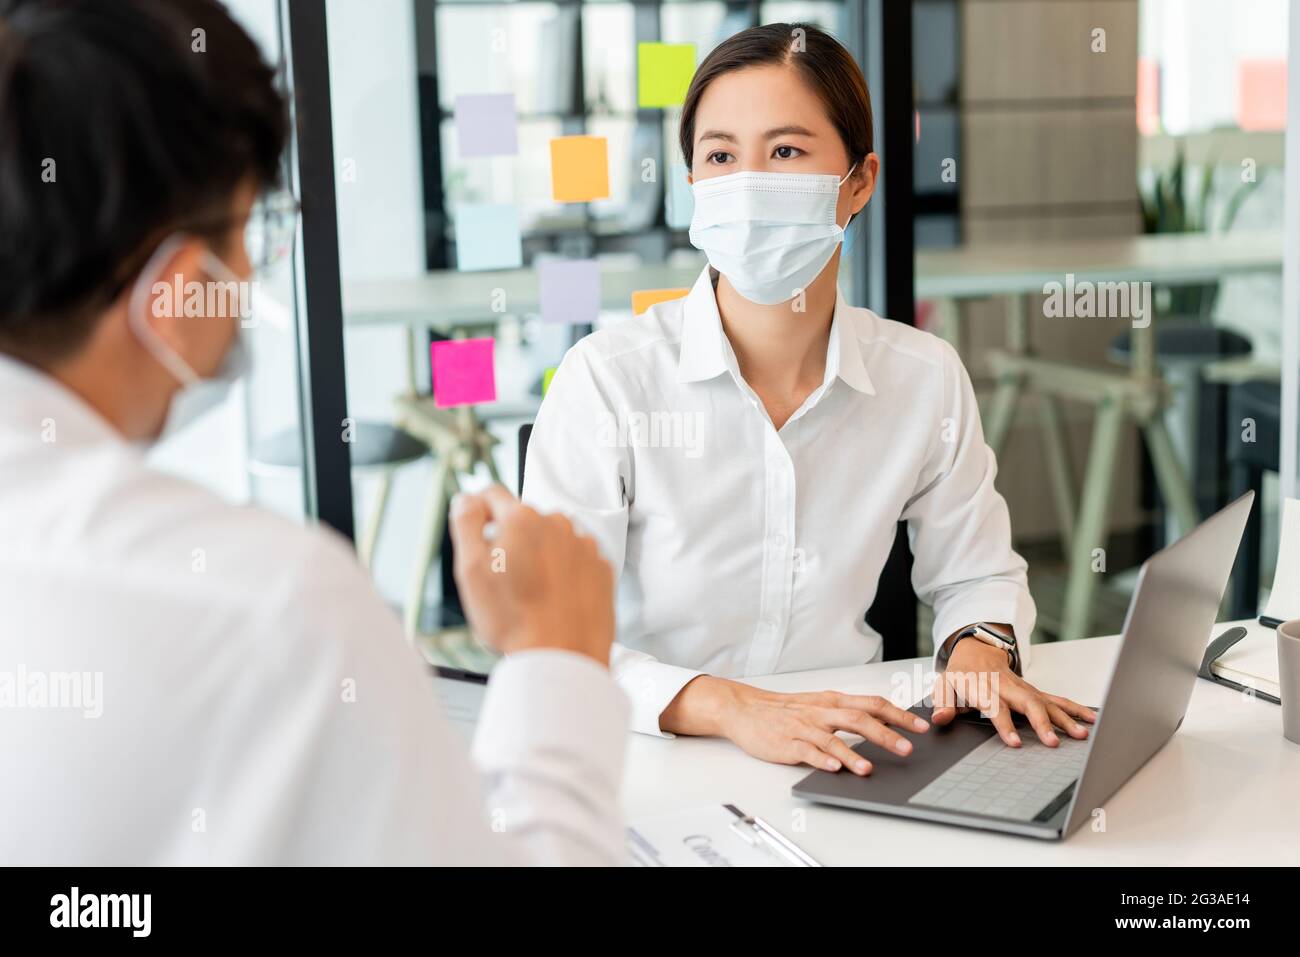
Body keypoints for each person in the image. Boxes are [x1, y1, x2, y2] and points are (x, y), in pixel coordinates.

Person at [0, 0, 626, 865]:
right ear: (181, 288)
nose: (254, 271)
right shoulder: (269, 609)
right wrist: (557, 663)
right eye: (251, 231)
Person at [524, 22, 1096, 773]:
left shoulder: (921, 378)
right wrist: (731, 705)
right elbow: (551, 637)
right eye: (721, 156)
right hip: (644, 756)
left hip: (847, 752)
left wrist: (981, 652)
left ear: (859, 181)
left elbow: (977, 573)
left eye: (786, 151)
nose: (748, 183)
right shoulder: (608, 380)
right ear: (694, 184)